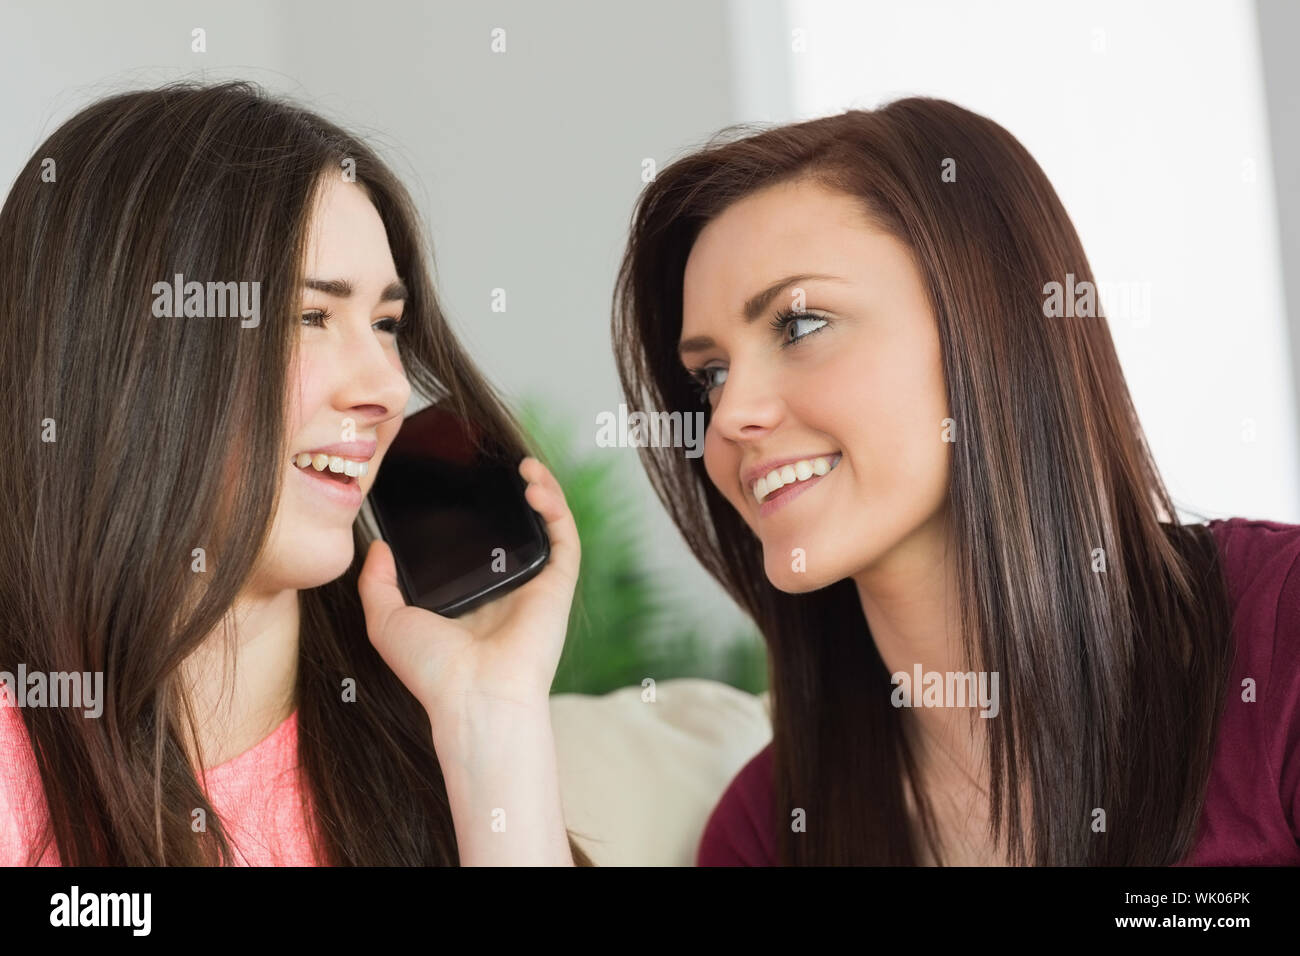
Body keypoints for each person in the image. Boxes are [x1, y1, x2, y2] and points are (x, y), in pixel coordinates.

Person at [611, 96, 1300, 865]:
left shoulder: (1283, 640)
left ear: (991, 325)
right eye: (710, 374)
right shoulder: (768, 832)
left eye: (799, 326)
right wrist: (492, 716)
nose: (730, 413)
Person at [0, 81, 588, 866]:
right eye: (311, 317)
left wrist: (495, 718)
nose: (386, 386)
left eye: (385, 324)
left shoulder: (418, 737)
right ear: (124, 359)